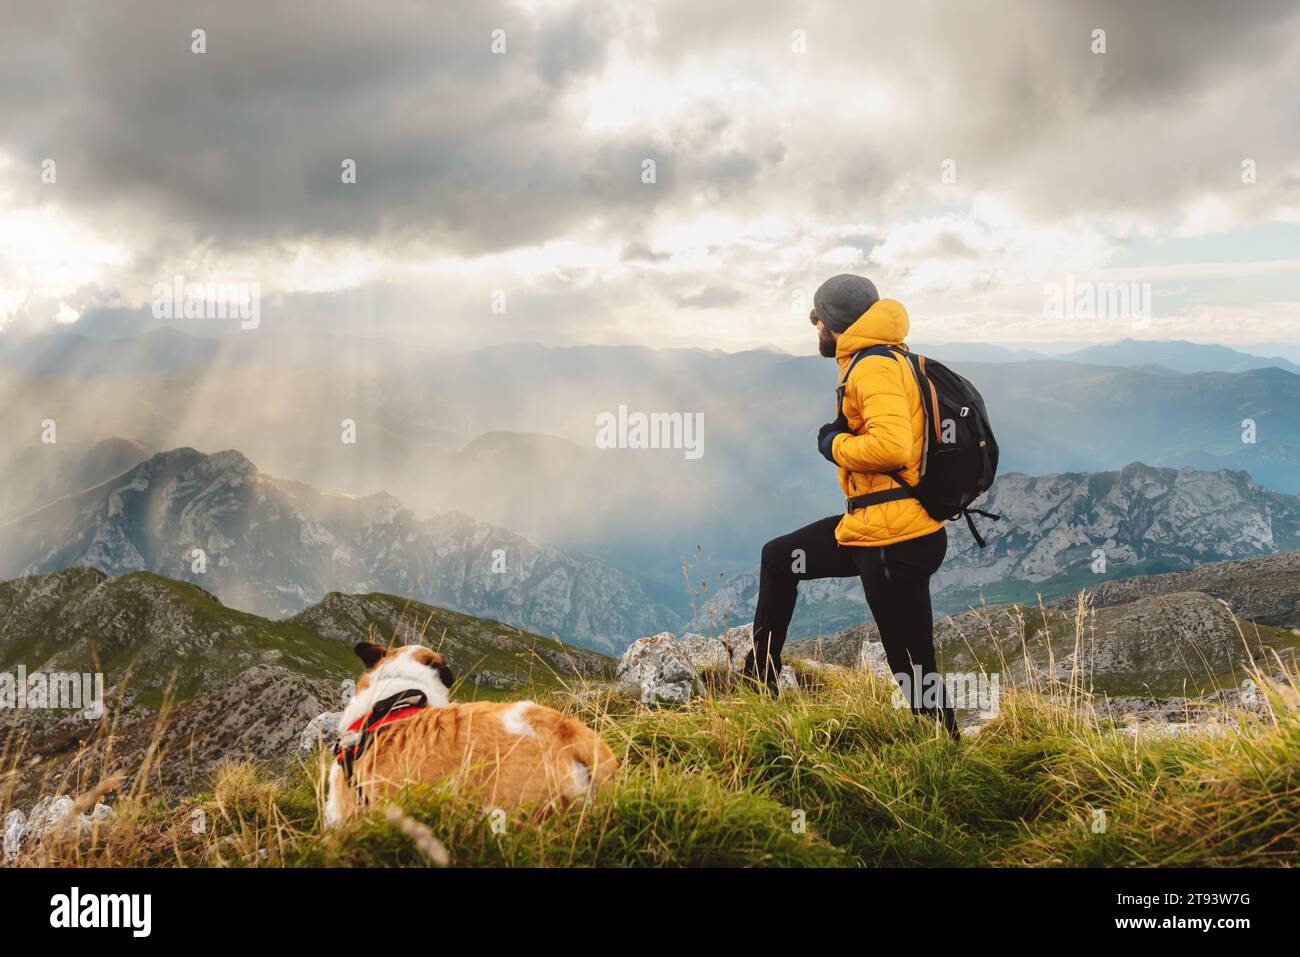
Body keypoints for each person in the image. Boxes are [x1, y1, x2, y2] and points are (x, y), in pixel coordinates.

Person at [741, 273, 959, 740]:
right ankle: (758, 678)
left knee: (910, 659)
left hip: (890, 540)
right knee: (779, 558)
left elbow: (893, 447)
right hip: (897, 527)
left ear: (834, 322)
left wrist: (833, 443)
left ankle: (945, 750)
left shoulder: (872, 367)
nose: (815, 326)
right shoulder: (890, 356)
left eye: (817, 318)